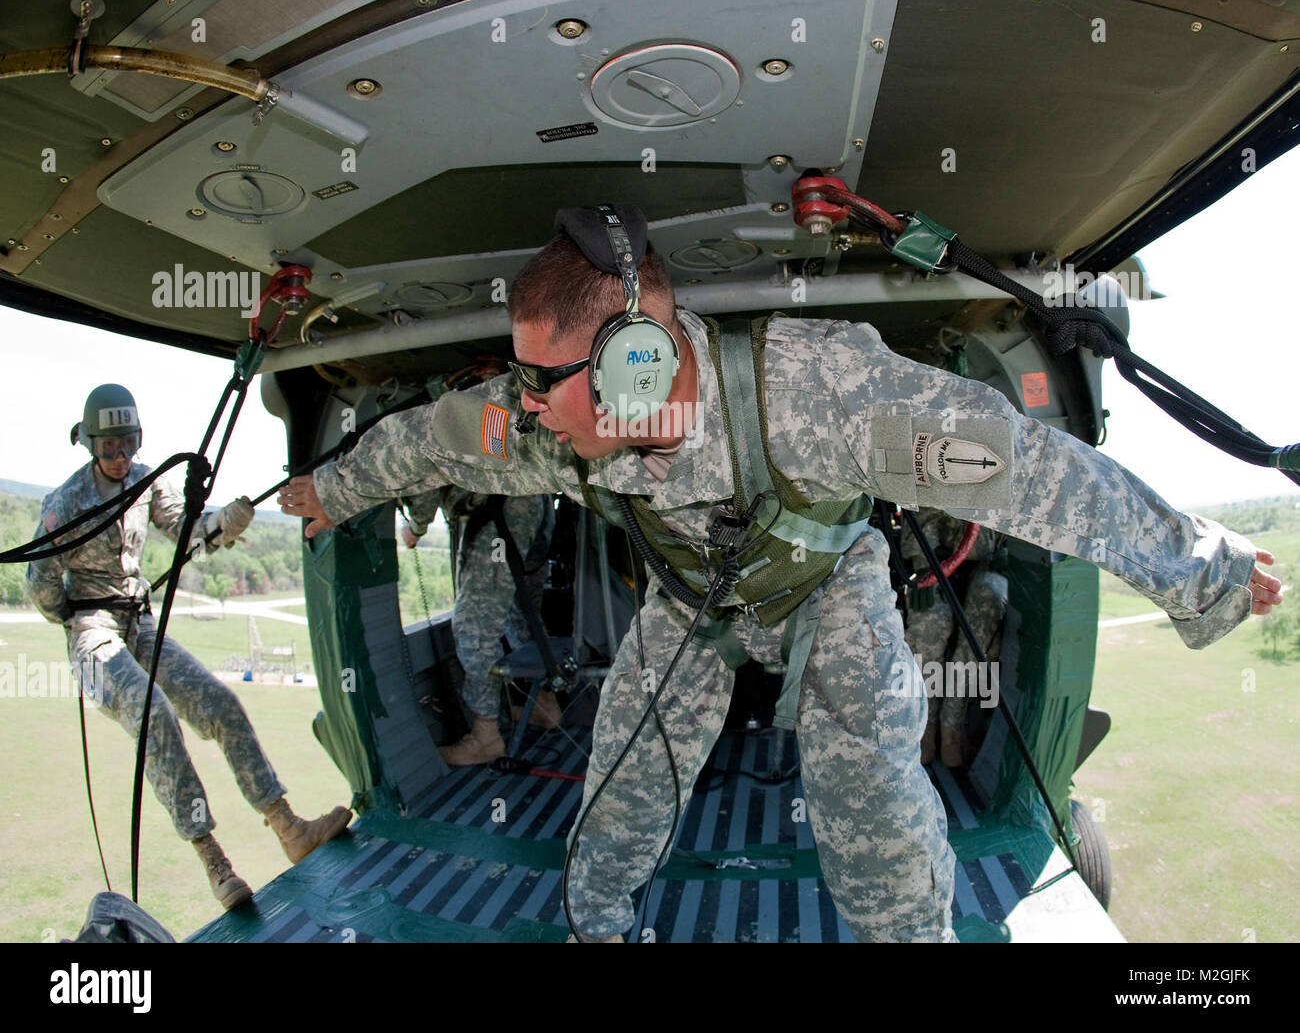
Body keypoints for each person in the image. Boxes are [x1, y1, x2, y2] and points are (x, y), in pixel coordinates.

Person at [277, 205, 1283, 942]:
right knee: (621, 789)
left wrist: (1207, 570)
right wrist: (329, 491)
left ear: (636, 363)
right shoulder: (556, 436)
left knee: (874, 808)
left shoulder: (822, 390)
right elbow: (432, 443)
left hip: (829, 591)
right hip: (688, 605)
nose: (526, 403)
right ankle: (597, 930)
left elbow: (1030, 471)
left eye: (543, 381)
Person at [28, 385, 353, 910]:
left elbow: (186, 535)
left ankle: (288, 827)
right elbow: (40, 587)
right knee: (154, 713)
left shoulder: (143, 480)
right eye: (109, 447)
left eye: (128, 443)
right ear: (88, 444)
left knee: (220, 704)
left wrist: (223, 524)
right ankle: (214, 860)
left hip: (137, 621)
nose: (120, 457)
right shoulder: (64, 503)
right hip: (92, 631)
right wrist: (77, 620)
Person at [401, 486, 556, 765]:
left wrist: (416, 527)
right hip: (531, 503)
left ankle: (486, 737)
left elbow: (424, 481)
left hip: (498, 510)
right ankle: (545, 704)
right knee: (518, 613)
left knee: (474, 627)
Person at [900, 510, 1007, 767]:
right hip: (933, 557)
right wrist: (922, 561)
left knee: (988, 604)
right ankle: (925, 727)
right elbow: (918, 511)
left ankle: (952, 726)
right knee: (929, 624)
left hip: (990, 561)